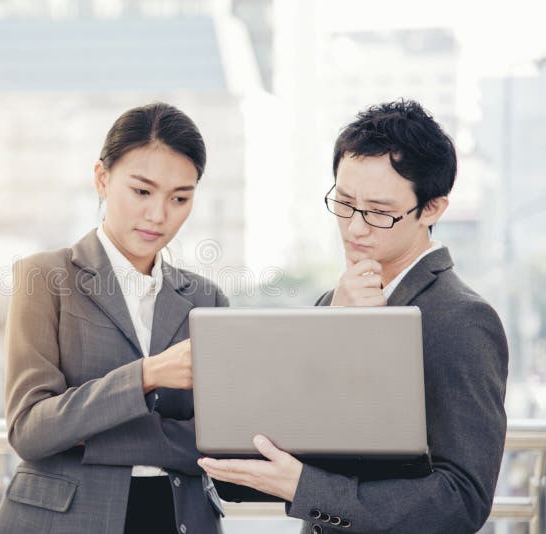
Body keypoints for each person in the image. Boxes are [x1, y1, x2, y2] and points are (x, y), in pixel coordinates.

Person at [198, 99, 508, 534]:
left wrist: (305, 487)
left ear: (432, 209)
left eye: (379, 212)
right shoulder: (333, 300)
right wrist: (335, 325)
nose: (355, 228)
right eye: (344, 202)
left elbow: (463, 499)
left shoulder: (462, 319)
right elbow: (307, 439)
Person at [0, 102, 228, 534]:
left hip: (180, 517)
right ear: (102, 178)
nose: (158, 215)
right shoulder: (45, 278)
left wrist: (89, 436)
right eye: (142, 191)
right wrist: (147, 375)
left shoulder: (205, 299)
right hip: (65, 521)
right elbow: (30, 430)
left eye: (179, 198)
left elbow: (215, 444)